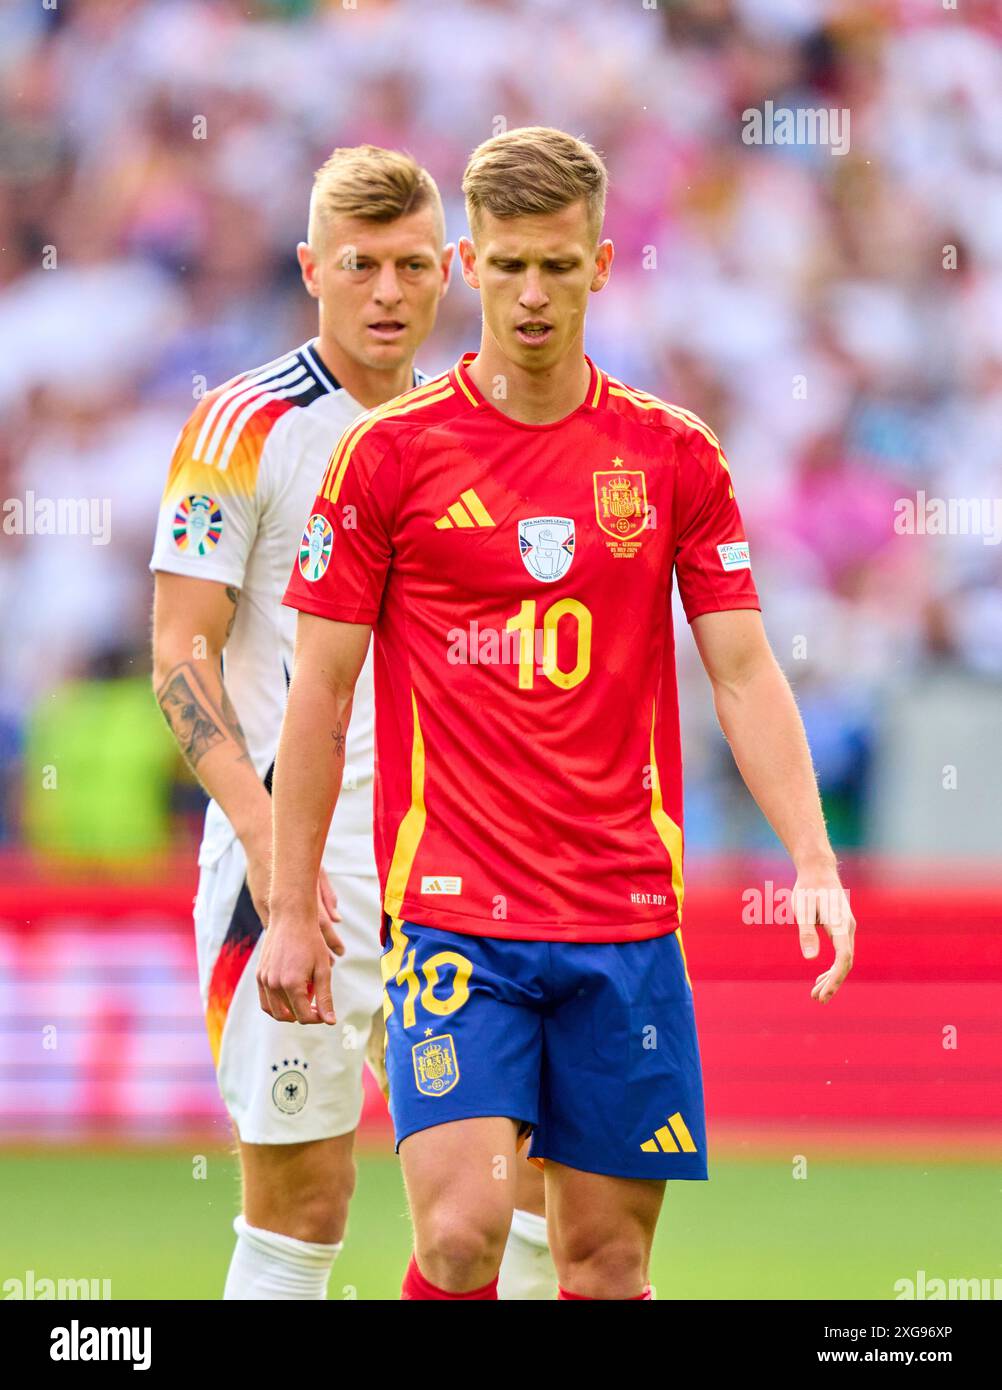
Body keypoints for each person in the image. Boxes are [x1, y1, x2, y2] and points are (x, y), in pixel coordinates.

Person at [260, 126, 855, 1301]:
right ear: (473, 265)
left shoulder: (672, 455)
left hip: (625, 922)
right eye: (513, 267)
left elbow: (741, 668)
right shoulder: (388, 457)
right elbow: (318, 691)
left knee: (604, 1258)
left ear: (603, 263)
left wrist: (814, 855)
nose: (534, 295)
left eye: (560, 267)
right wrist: (287, 906)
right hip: (452, 922)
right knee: (463, 1234)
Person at [152, 144, 549, 1301]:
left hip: (459, 866)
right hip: (295, 865)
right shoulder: (241, 426)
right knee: (300, 1214)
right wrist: (277, 854)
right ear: (311, 267)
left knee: (513, 1202)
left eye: (414, 266)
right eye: (362, 265)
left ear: (454, 270)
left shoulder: (492, 424)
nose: (388, 292)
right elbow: (181, 656)